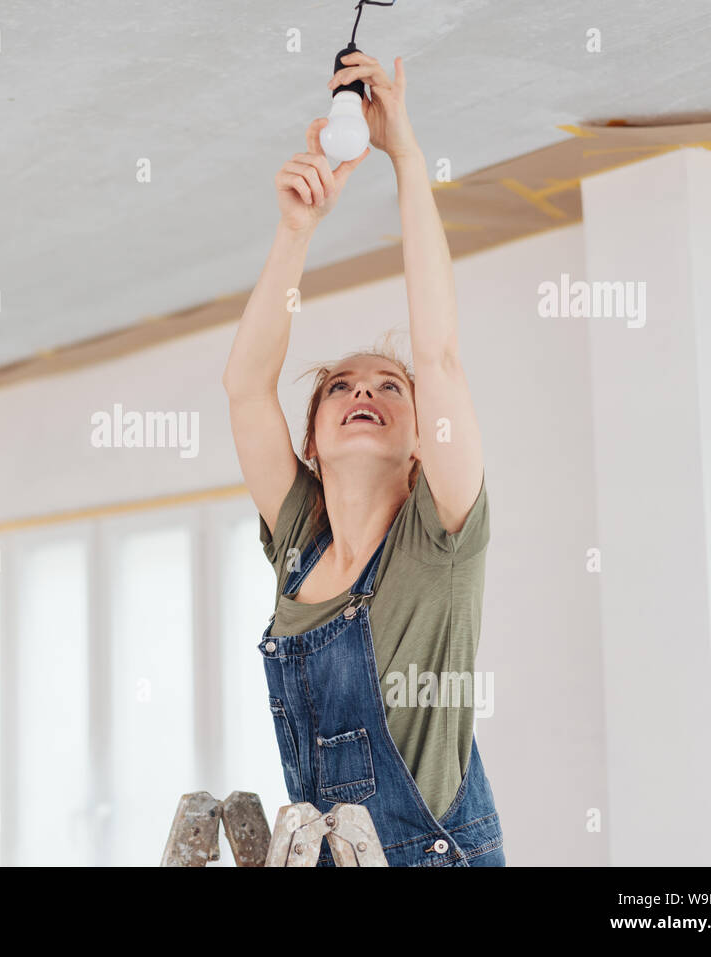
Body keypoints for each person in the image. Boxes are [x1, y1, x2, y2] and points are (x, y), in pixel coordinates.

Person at [222, 52, 504, 866]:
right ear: (311, 441)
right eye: (340, 385)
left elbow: (439, 354)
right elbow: (247, 388)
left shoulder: (442, 538)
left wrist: (405, 155)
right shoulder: (297, 534)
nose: (362, 391)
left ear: (421, 443)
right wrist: (295, 231)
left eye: (389, 387)